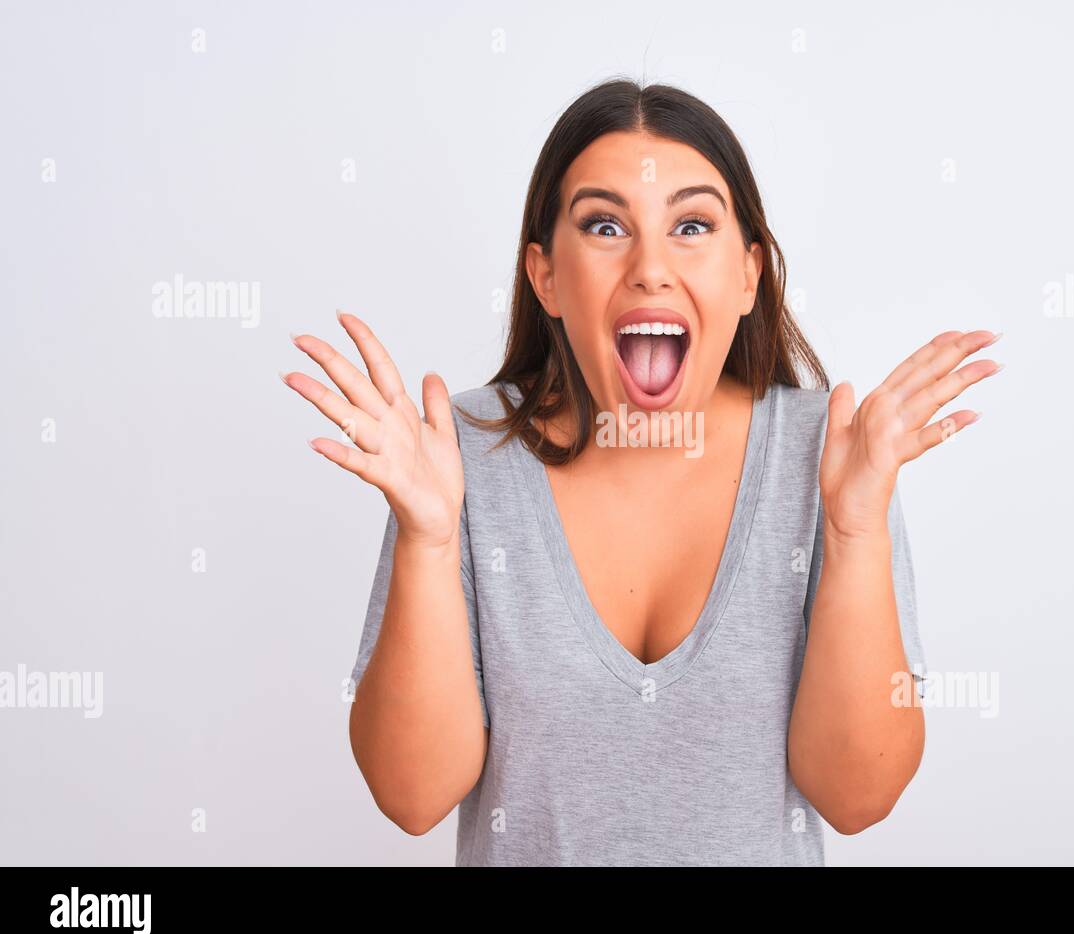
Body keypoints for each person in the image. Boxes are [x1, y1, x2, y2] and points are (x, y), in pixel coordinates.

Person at [282, 78, 1001, 865]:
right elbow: (412, 795)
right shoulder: (458, 458)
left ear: (748, 273)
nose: (650, 267)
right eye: (603, 225)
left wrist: (853, 530)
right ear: (546, 275)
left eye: (691, 224)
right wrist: (428, 538)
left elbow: (857, 797)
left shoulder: (829, 455)